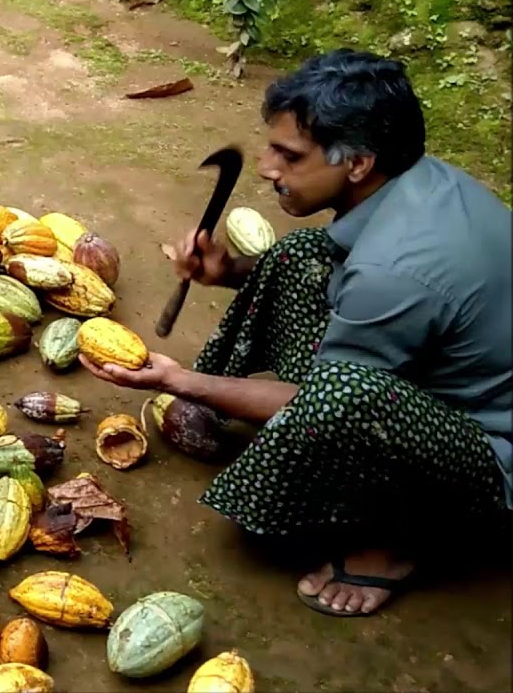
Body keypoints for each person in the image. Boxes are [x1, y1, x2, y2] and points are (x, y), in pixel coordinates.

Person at [82, 49, 511, 617]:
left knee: (343, 397)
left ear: (356, 163)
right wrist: (228, 271)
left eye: (288, 154)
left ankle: (399, 545)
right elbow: (352, 275)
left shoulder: (393, 270)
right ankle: (256, 401)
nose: (265, 167)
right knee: (300, 254)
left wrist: (181, 380)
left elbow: (330, 399)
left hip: (492, 453)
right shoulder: (417, 182)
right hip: (445, 368)